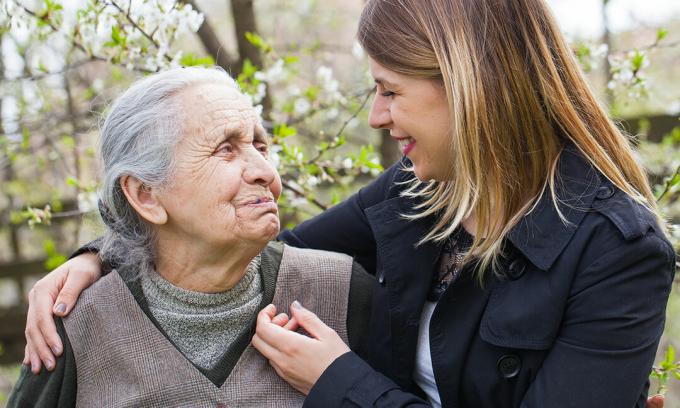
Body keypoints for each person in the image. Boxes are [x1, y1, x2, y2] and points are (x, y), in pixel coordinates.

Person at [21, 0, 675, 407]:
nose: (376, 116)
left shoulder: (619, 252)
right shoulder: (423, 192)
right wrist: (107, 253)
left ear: (469, 85)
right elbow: (256, 248)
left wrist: (336, 381)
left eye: (389, 90)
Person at [8, 67, 372, 407]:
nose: (265, 171)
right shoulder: (77, 327)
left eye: (260, 146)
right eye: (225, 149)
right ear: (146, 195)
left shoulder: (343, 292)